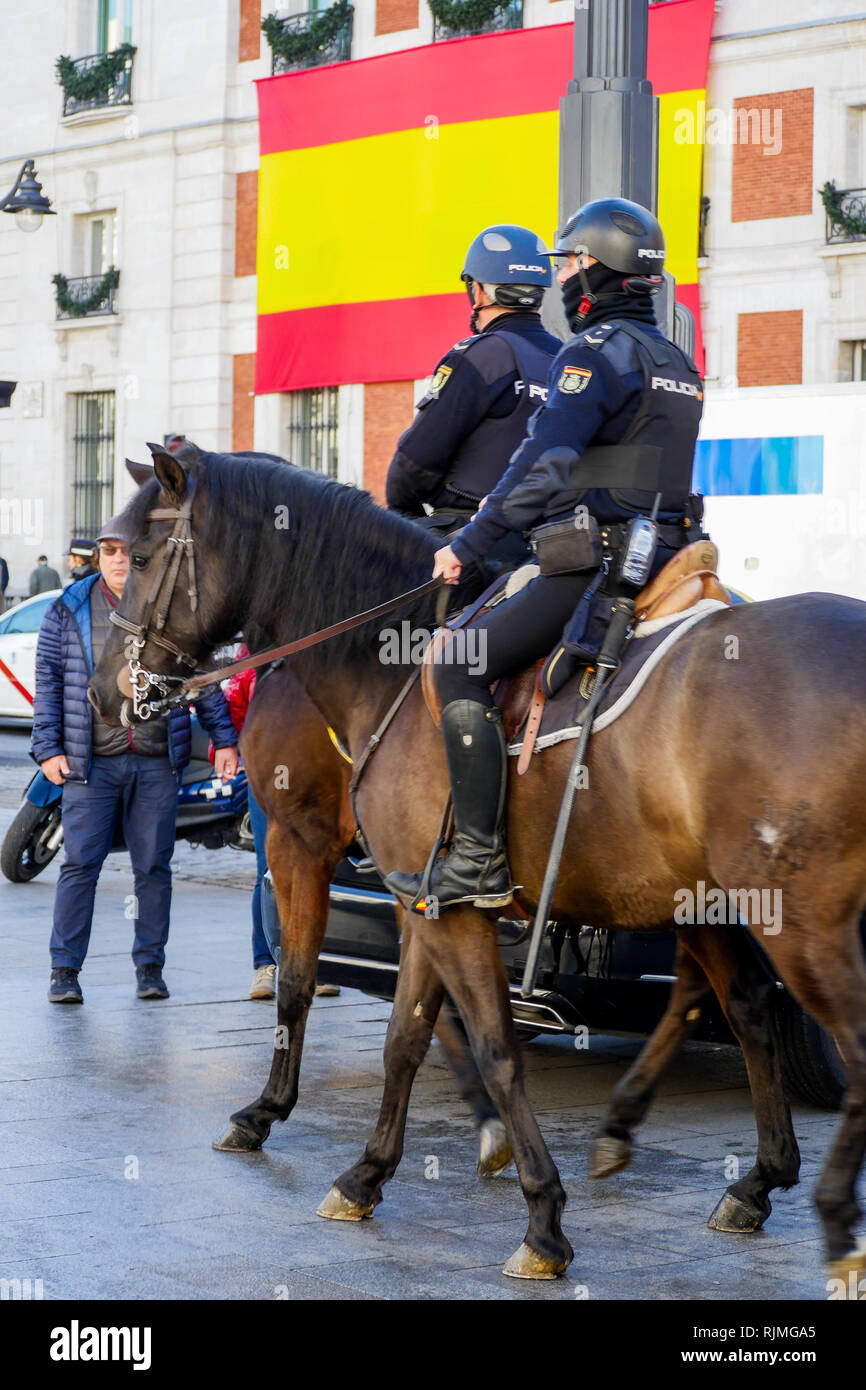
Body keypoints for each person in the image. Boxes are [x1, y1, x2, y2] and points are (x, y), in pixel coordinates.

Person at [386, 197, 704, 914]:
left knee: (456, 662)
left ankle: (477, 860)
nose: (561, 276)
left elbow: (543, 465)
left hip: (602, 567)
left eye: (568, 263)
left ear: (593, 270)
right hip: (675, 559)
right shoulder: (678, 361)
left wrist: (466, 547)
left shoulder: (592, 356)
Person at [31, 514, 240, 1004]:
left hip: (153, 761)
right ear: (98, 558)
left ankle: (150, 969)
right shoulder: (68, 608)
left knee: (154, 868)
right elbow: (48, 685)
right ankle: (65, 972)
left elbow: (198, 673)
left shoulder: (164, 605)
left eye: (127, 551)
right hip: (91, 763)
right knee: (80, 864)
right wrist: (48, 749)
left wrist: (225, 739)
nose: (119, 559)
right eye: (109, 551)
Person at [385, 224, 561, 567]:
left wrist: (404, 513)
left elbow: (414, 463)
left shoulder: (480, 356)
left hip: (471, 547)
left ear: (478, 291)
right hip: (550, 548)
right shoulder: (568, 360)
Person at [221, 652, 340, 1002]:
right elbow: (233, 707)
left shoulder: (323, 649)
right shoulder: (253, 657)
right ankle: (266, 965)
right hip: (269, 776)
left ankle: (317, 966)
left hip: (319, 775)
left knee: (322, 866)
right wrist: (234, 747)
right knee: (269, 869)